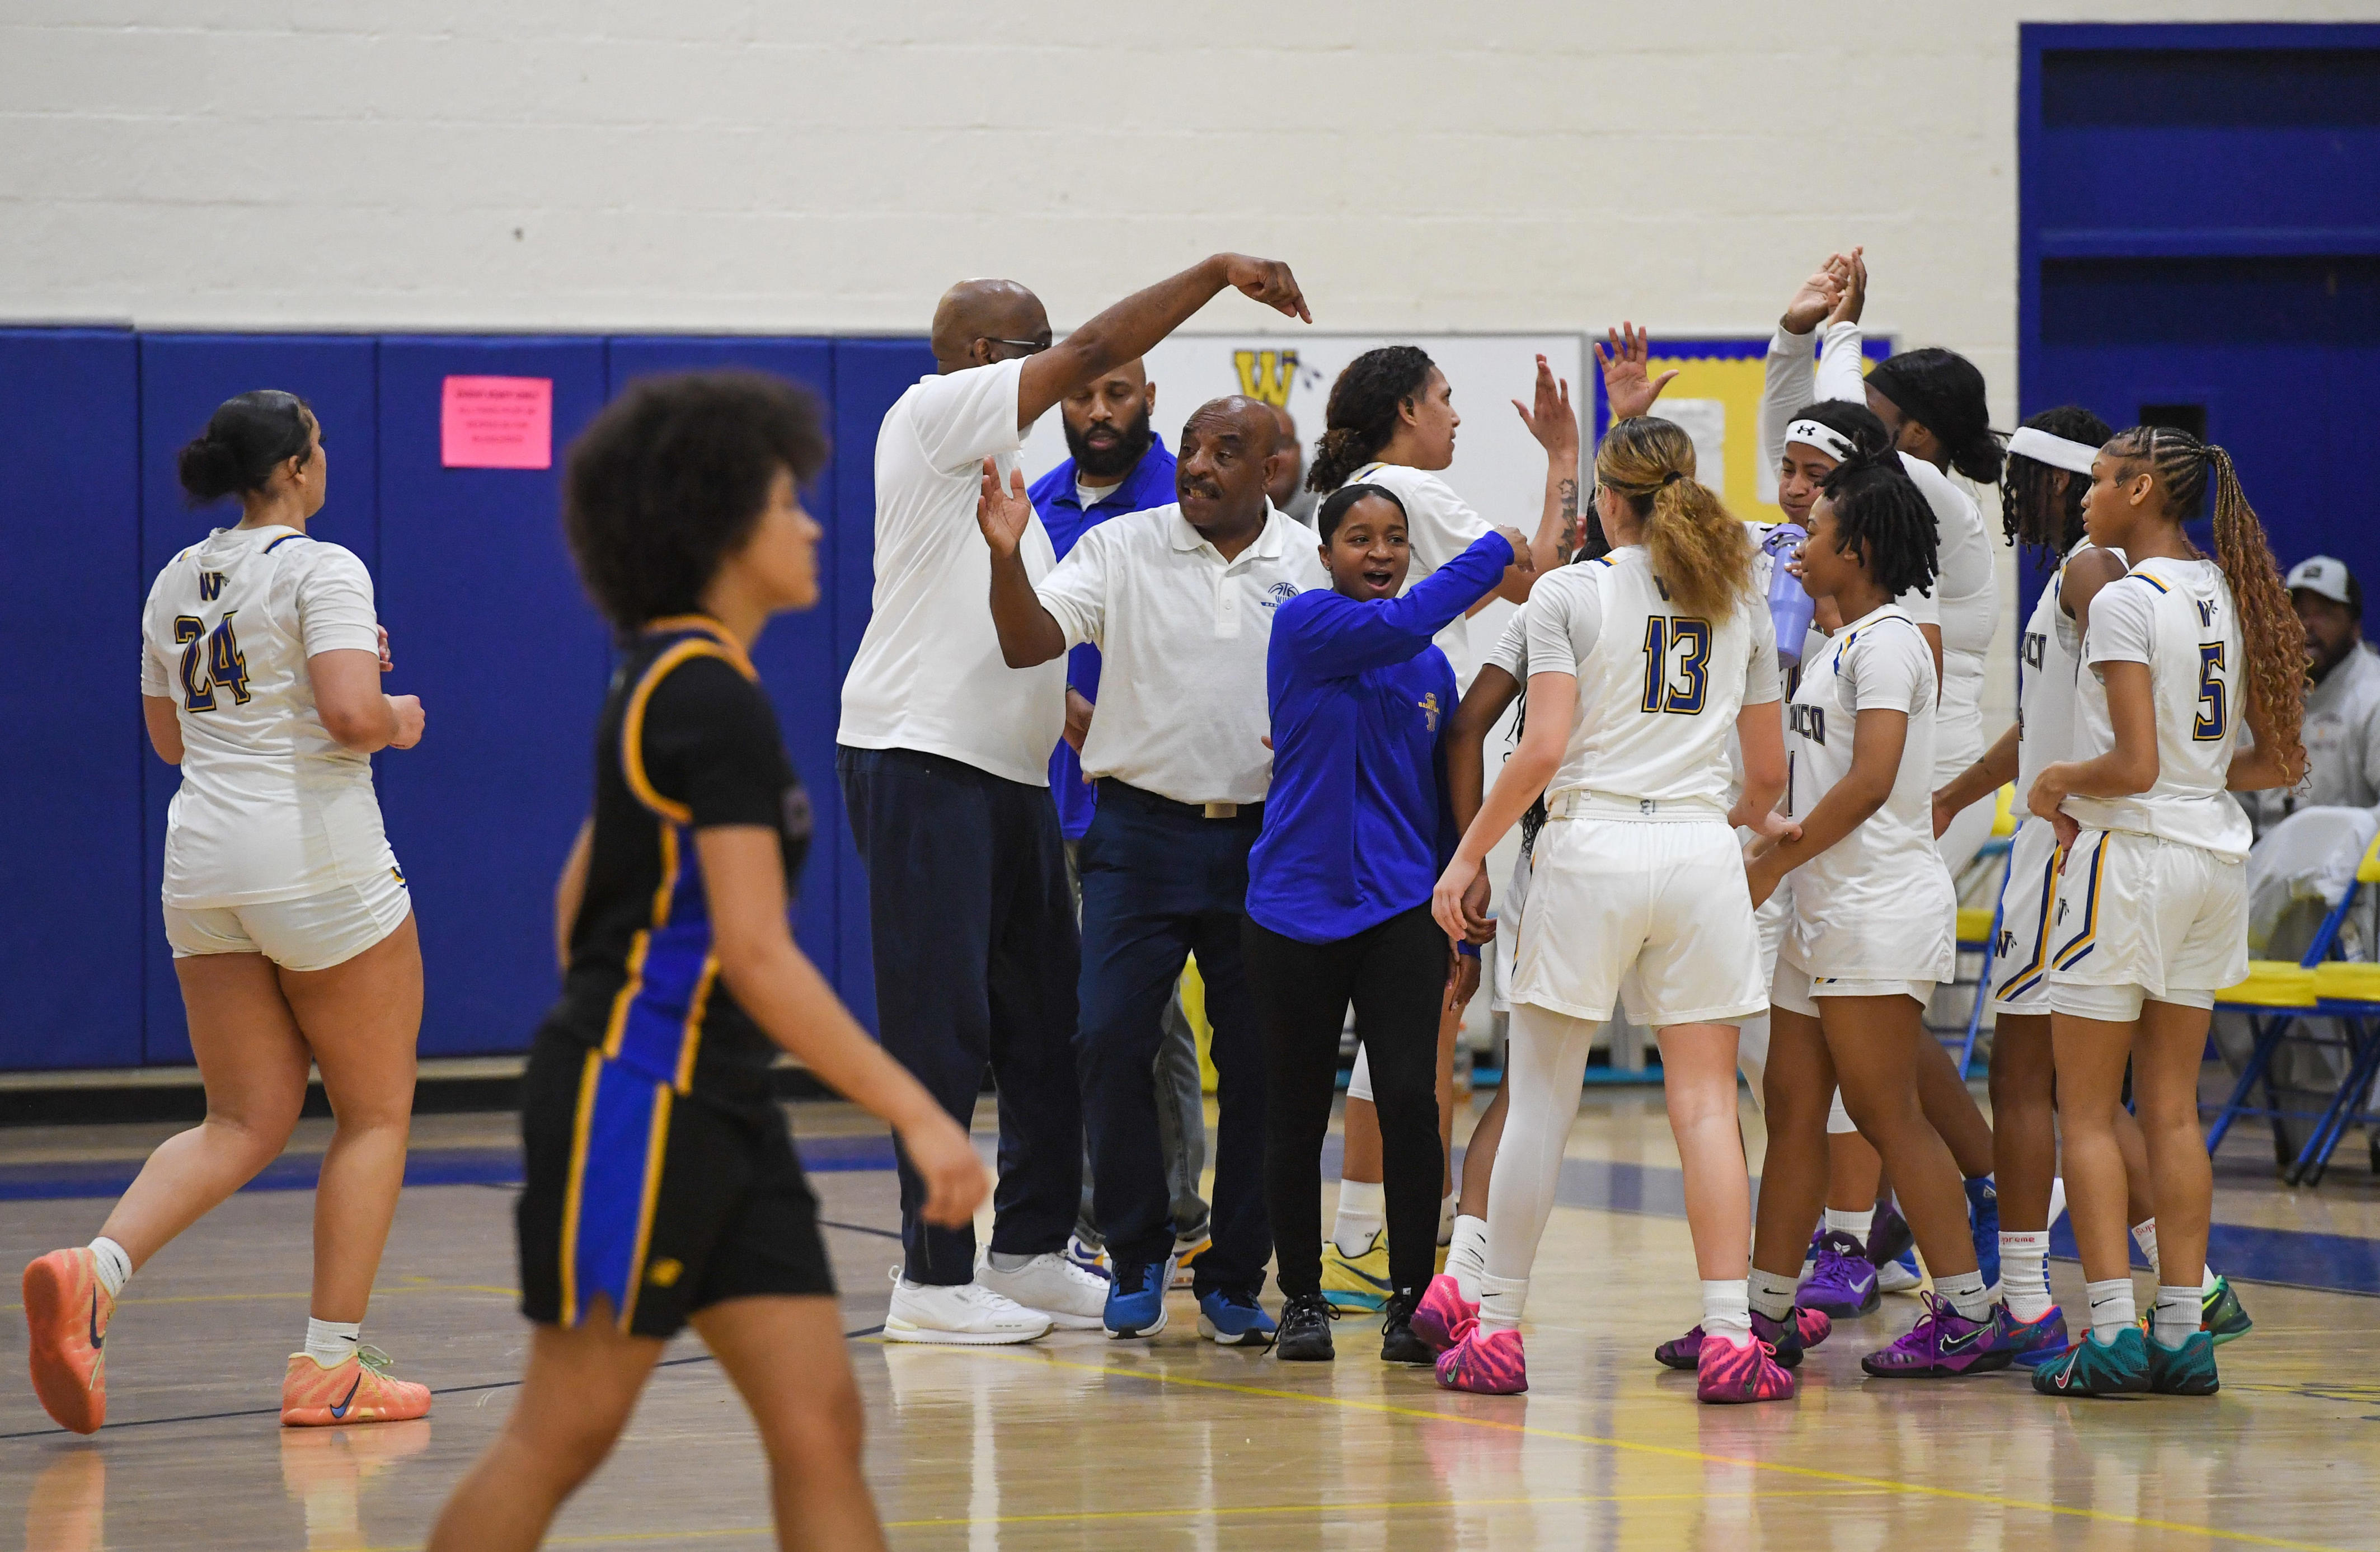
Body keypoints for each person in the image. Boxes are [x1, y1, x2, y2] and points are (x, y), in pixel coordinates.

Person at [426, 372, 992, 1552]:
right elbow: (756, 955)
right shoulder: (703, 696)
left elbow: (582, 893)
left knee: (819, 1423)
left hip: (715, 1106)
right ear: (721, 528)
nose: (811, 523)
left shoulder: (678, 676)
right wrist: (922, 1115)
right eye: (787, 502)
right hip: (644, 1104)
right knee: (562, 1430)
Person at [835, 254, 1307, 1343]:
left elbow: (1021, 645)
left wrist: (1086, 727)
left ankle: (1031, 1251)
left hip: (1008, 783)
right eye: (1034, 344)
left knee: (1044, 1024)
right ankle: (930, 1278)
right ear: (978, 356)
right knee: (941, 1030)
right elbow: (1096, 351)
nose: (1059, 362)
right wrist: (1220, 273)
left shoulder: (1003, 488)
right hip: (919, 762)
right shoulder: (932, 416)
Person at [23, 392, 430, 1436]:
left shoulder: (171, 581)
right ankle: (330, 1365)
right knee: (375, 1110)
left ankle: (96, 1270)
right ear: (294, 467)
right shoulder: (322, 566)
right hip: (316, 861)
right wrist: (400, 716)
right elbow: (347, 713)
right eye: (322, 446)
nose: (326, 461)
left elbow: (168, 741)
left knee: (240, 1118)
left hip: (201, 866)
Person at [1423, 417, 1801, 1403]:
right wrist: (1717, 822)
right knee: (1709, 1108)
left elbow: (1539, 749)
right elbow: (1766, 778)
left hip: (1590, 847)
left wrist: (1469, 855)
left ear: (1608, 500)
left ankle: (1496, 1327)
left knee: (1544, 1099)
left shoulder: (1569, 590)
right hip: (1697, 849)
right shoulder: (1741, 597)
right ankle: (1729, 1337)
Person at [979, 395, 1321, 1345]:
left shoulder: (1306, 564)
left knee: (1260, 1063)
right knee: (1104, 1033)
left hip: (1263, 840)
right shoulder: (1120, 548)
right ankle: (1134, 1249)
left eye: (1226, 452)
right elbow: (1025, 642)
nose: (1198, 465)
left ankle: (1233, 1272)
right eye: (1194, 449)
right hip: (1135, 833)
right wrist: (1007, 555)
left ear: (1269, 470)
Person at [1933, 408, 2259, 1366]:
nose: (2048, 500)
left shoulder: (2098, 577)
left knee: (2044, 1082)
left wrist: (2062, 784)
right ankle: (2182, 1293)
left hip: (2099, 842)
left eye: (2059, 480)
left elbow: (2115, 749)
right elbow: (2053, 722)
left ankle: (2058, 1302)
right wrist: (1960, 788)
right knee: (2126, 1093)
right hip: (2182, 844)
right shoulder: (2182, 587)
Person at [2027, 427, 2304, 1398]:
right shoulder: (2228, 593)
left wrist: (2057, 779)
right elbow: (2277, 761)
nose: (2085, 499)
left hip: (2129, 859)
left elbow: (2130, 766)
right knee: (2175, 1107)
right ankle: (2181, 1331)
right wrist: (2190, 782)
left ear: (2140, 487)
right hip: (2211, 856)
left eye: (2099, 482)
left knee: (2090, 1108)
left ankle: (2107, 1331)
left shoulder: (2119, 601)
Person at [1305, 348, 1584, 1309]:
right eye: (1444, 399)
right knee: (1423, 1011)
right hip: (1422, 757)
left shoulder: (1367, 491)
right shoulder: (1401, 489)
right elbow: (1537, 573)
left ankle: (1361, 1229)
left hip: (1397, 746)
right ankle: (1371, 1237)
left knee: (1416, 1015)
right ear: (1403, 409)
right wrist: (1560, 456)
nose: (1455, 417)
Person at [1742, 446, 2024, 1379]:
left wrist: (1774, 857)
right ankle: (1765, 1314)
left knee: (1884, 1110)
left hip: (1874, 902)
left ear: (1855, 547)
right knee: (1791, 1111)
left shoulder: (1898, 641)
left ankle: (1968, 1313)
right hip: (1818, 903)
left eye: (1815, 527)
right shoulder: (1836, 642)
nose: (1799, 537)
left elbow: (1868, 783)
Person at [1763, 255, 2002, 1306]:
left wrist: (1840, 334)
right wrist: (1795, 338)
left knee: (1879, 1078)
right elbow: (1817, 433)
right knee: (1832, 1078)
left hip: (1921, 788)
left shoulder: (1927, 534)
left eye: (1874, 418)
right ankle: (1776, 1291)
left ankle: (1881, 1239)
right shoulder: (1840, 621)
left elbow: (1873, 778)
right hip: (1843, 825)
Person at [1246, 486, 1528, 1363]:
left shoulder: (1429, 671)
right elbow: (1406, 623)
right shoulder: (1306, 626)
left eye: (1396, 540)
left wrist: (1460, 897)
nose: (1379, 553)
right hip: (1293, 910)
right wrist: (1495, 550)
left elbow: (1435, 796)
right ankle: (1300, 1299)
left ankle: (1412, 1299)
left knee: (1412, 1101)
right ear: (1325, 554)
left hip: (1403, 910)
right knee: (1293, 1109)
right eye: (1360, 538)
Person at [1022, 360, 1211, 1283]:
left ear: (1149, 399)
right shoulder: (1034, 505)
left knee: (1155, 1020)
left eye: (1118, 394)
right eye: (1081, 396)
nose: (1098, 412)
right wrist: (1041, 688)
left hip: (1140, 804)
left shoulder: (1182, 501)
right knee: (1071, 1016)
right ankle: (1084, 1217)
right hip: (1037, 795)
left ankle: (1180, 1213)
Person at [2242, 555, 2380, 835]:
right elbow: (2235, 805)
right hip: (2263, 866)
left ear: (2355, 627)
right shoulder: (2261, 694)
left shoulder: (2373, 695)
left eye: (2324, 613)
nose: (2306, 626)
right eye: (2297, 613)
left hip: (2347, 869)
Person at [1268, 402, 1320, 527]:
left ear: (1299, 450)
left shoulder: (1326, 504)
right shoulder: (1223, 509)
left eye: (1283, 444)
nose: (1275, 457)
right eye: (1264, 447)